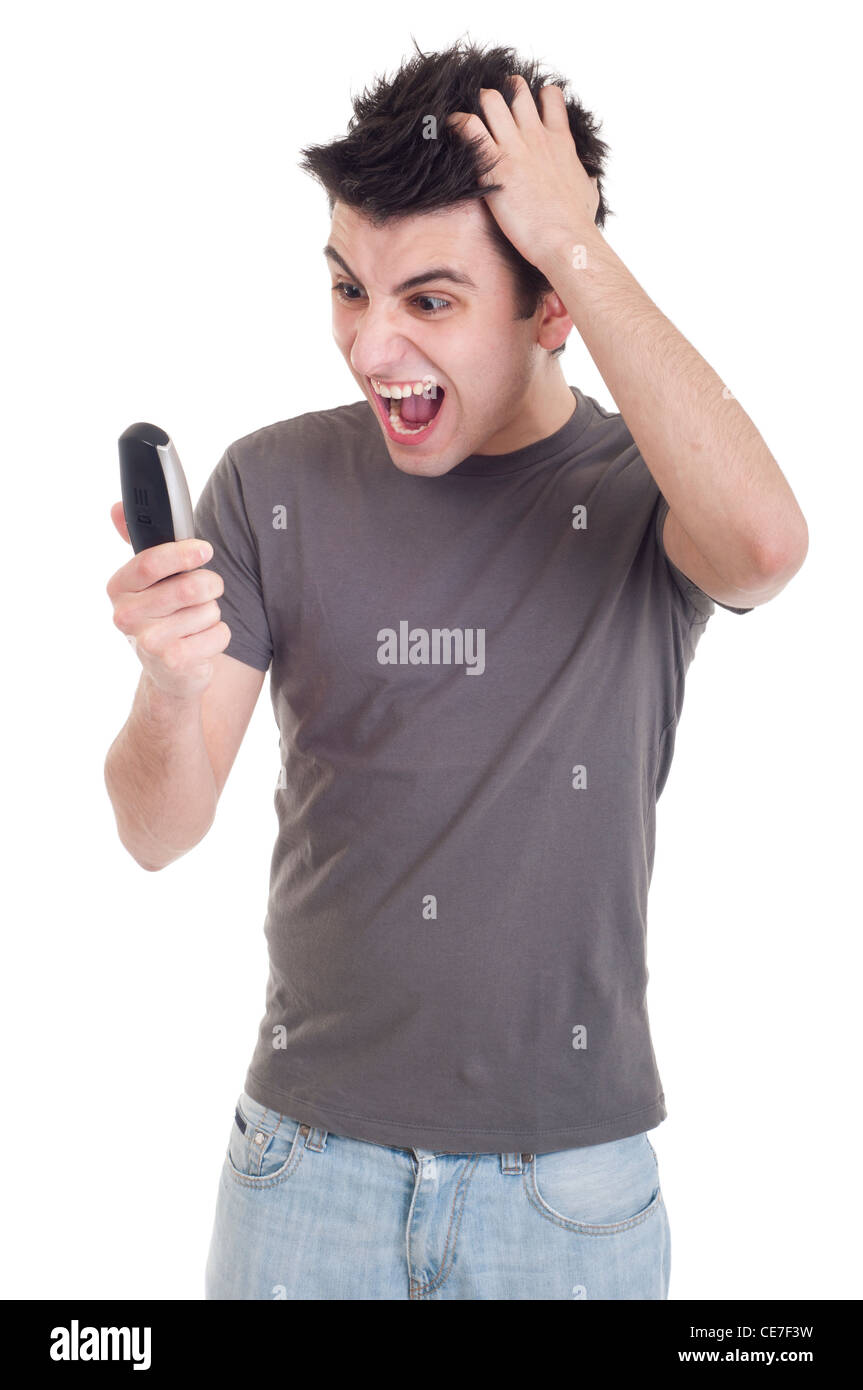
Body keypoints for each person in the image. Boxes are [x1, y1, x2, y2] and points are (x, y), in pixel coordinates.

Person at [104, 39, 808, 1300]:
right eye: (347, 289)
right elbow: (157, 832)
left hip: (568, 1191)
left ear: (551, 308)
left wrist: (570, 240)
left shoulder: (640, 492)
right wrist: (167, 683)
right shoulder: (269, 483)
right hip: (304, 1169)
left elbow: (764, 549)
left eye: (428, 302)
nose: (370, 347)